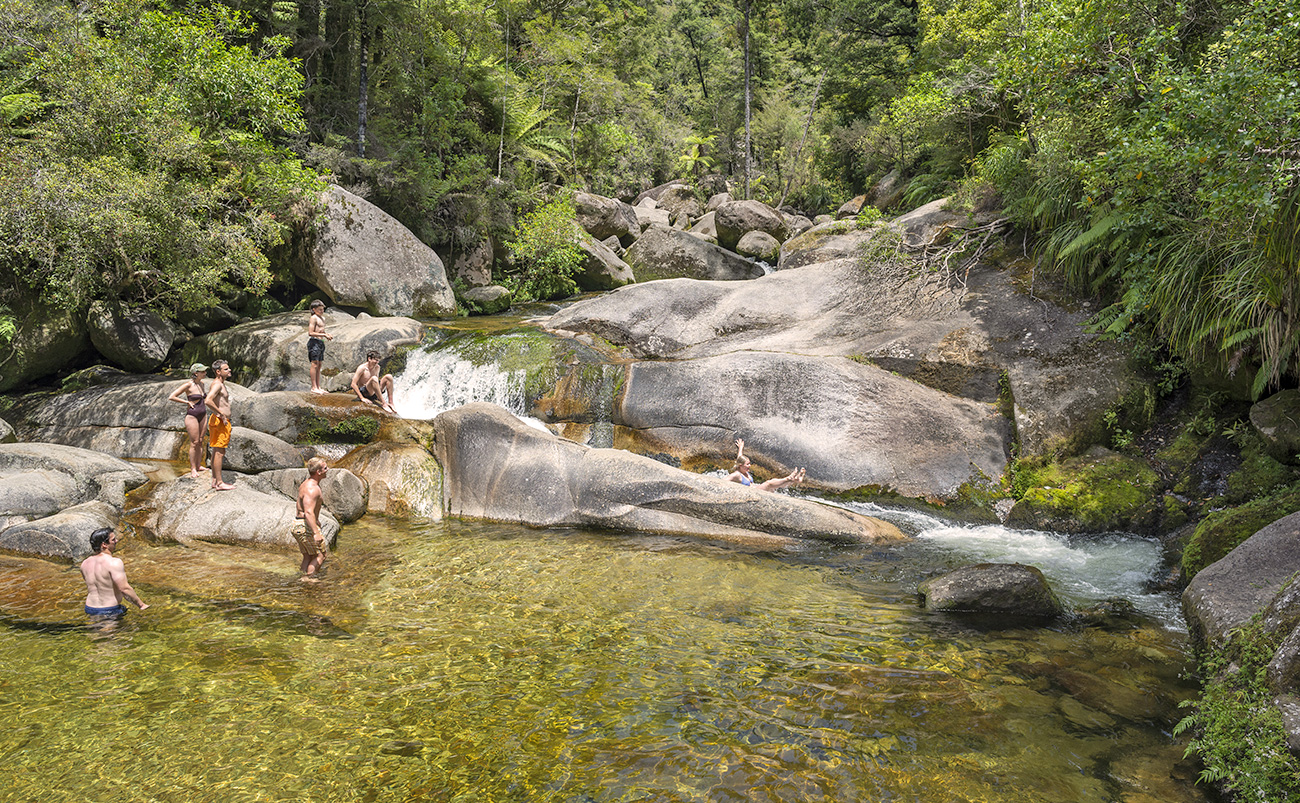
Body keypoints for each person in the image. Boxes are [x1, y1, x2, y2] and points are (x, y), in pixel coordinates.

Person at [80, 527, 148, 618]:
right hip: (110, 610)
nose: (116, 540)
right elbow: (124, 589)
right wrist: (141, 605)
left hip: (90, 609)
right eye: (113, 539)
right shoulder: (114, 562)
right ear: (104, 544)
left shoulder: (85, 563)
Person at [167, 363, 209, 478]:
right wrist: (186, 402)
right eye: (202, 372)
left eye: (205, 371)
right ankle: (193, 469)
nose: (205, 373)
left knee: (201, 440)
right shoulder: (188, 385)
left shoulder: (202, 384)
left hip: (203, 414)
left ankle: (199, 464)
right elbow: (172, 396)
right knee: (194, 442)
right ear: (196, 373)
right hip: (192, 415)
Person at [292, 457, 330, 577]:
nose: (327, 469)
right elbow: (308, 512)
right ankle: (309, 580)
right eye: (325, 468)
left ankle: (302, 577)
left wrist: (316, 520)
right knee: (321, 556)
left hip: (298, 524)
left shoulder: (306, 483)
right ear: (318, 472)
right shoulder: (312, 489)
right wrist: (316, 533)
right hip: (306, 526)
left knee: (308, 556)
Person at [726, 437, 805, 491]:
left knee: (774, 485)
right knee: (768, 483)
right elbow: (723, 482)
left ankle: (795, 480)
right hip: (753, 493)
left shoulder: (743, 470)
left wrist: (741, 448)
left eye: (749, 464)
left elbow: (739, 457)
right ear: (741, 465)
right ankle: (788, 478)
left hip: (757, 489)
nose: (750, 466)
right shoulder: (736, 474)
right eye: (747, 464)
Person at [204, 359, 236, 491]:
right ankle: (220, 483)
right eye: (226, 369)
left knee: (216, 451)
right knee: (219, 452)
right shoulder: (217, 384)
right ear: (218, 372)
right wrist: (221, 414)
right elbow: (208, 400)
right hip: (220, 421)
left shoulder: (220, 383)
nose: (229, 371)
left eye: (228, 368)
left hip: (218, 421)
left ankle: (214, 480)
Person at [306, 299, 333, 394]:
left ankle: (318, 386)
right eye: (320, 309)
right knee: (314, 364)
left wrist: (326, 334)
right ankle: (314, 387)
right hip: (314, 342)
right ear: (314, 309)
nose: (322, 311)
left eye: (322, 309)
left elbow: (321, 331)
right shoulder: (313, 318)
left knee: (319, 364)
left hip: (320, 342)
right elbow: (310, 332)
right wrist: (324, 335)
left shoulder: (323, 318)